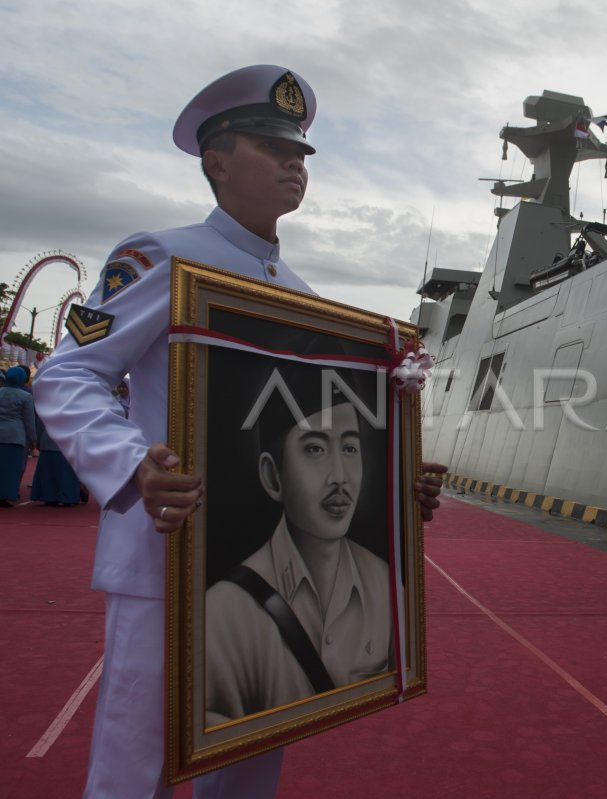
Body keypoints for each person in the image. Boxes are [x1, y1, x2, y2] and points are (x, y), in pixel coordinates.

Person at [32, 65, 446, 798]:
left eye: (302, 153)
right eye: (269, 144)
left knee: (253, 752)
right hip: (171, 558)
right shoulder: (161, 256)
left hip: (280, 567)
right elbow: (67, 375)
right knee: (138, 766)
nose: (294, 163)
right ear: (215, 161)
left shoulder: (306, 300)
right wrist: (132, 466)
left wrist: (399, 479)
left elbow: (330, 419)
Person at [205, 364, 391, 724]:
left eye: (350, 448)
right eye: (315, 450)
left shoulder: (385, 585)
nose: (340, 478)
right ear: (273, 476)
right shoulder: (224, 616)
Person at [0, 366, 36, 507]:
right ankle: (7, 494)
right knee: (10, 469)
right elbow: (29, 420)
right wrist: (33, 438)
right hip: (15, 436)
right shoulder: (26, 396)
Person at [30, 413, 82, 506]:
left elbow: (40, 425)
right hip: (69, 442)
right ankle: (68, 497)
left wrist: (38, 441)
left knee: (48, 472)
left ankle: (49, 496)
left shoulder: (47, 407)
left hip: (49, 440)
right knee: (67, 473)